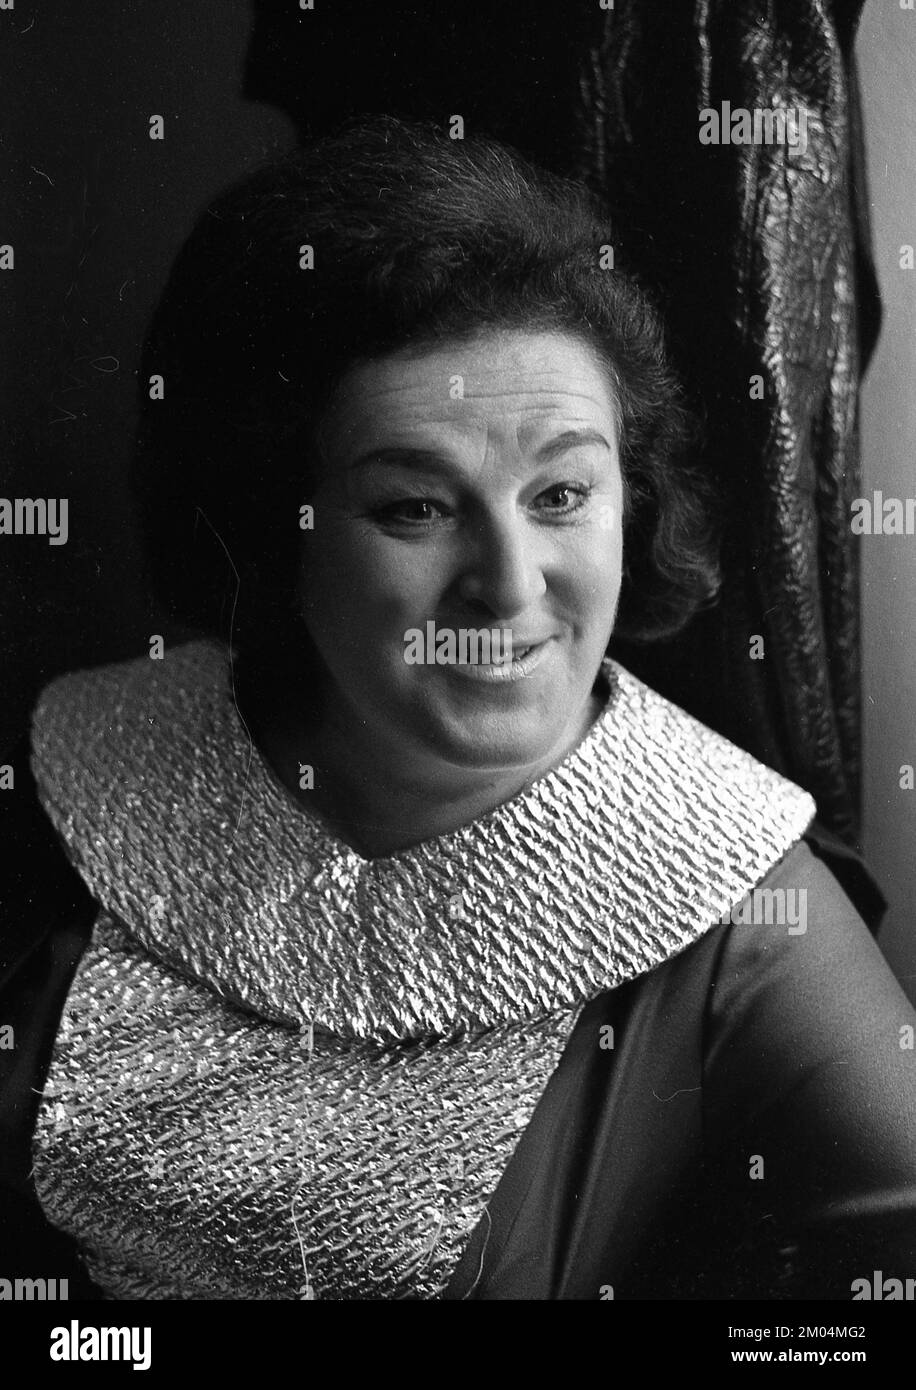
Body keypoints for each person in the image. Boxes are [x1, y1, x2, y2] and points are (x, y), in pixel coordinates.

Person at [1, 118, 914, 1301]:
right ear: (269, 524)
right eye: (417, 508)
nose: (513, 582)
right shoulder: (87, 774)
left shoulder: (745, 901)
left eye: (563, 492)